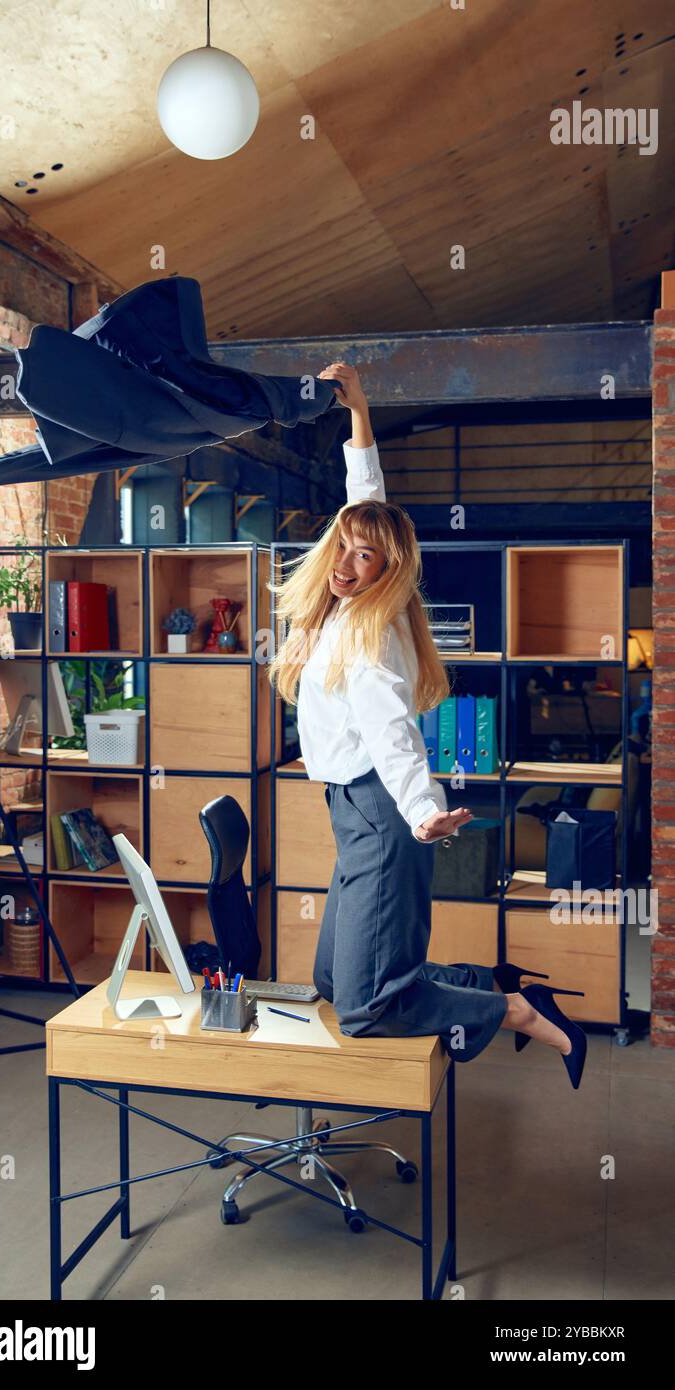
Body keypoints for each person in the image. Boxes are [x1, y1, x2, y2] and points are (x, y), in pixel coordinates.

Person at [266, 363, 586, 1087]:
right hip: (351, 812)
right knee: (328, 976)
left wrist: (421, 812)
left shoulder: (371, 635)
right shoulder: (351, 595)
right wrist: (361, 416)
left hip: (384, 812)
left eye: (364, 557)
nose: (347, 562)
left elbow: (393, 736)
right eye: (343, 546)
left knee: (366, 1006)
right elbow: (367, 504)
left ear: (386, 571)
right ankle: (492, 981)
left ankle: (512, 1012)